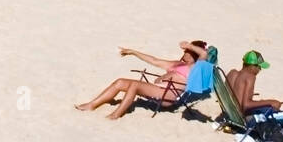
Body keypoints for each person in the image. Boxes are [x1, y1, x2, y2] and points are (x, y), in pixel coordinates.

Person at [75, 41, 209, 117]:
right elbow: (154, 60)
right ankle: (92, 105)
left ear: (194, 56)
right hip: (157, 89)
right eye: (185, 51)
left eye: (189, 53)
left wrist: (190, 46)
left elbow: (204, 53)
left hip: (167, 96)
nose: (185, 53)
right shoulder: (176, 63)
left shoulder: (196, 69)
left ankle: (116, 114)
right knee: (120, 82)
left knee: (134, 85)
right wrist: (133, 52)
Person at [226, 51, 283, 141]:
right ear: (252, 66)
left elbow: (235, 97)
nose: (259, 70)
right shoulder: (250, 77)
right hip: (247, 120)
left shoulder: (232, 73)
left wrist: (262, 103)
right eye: (259, 67)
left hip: (231, 117)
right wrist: (270, 102)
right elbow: (246, 105)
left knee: (272, 110)